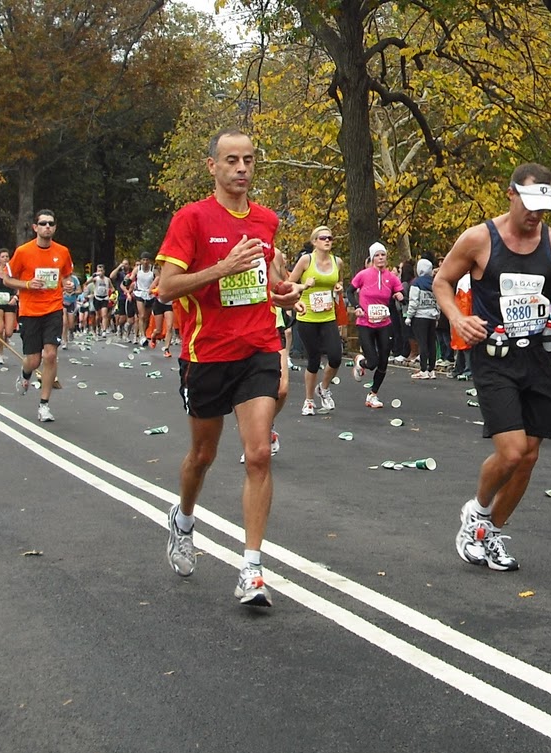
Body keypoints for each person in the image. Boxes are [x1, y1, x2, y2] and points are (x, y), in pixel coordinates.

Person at [156, 128, 298, 608]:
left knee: (259, 454)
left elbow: (268, 277)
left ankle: (252, 570)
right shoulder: (192, 218)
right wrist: (222, 268)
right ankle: (184, 518)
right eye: (231, 160)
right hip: (206, 354)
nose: (241, 169)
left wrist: (282, 290)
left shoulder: (266, 220)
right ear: (212, 166)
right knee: (203, 455)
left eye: (249, 160)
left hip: (257, 345)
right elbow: (166, 288)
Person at [435, 163, 551, 570]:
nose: (535, 213)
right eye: (529, 202)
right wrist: (456, 318)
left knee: (531, 455)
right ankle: (477, 512)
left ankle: (492, 532)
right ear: (510, 194)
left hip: (537, 357)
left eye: (544, 205)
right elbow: (441, 282)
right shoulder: (479, 239)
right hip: (494, 356)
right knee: (512, 451)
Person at [3, 209, 75, 422]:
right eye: (42, 223)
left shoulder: (62, 252)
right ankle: (25, 374)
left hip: (53, 309)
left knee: (51, 355)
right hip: (30, 311)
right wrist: (27, 284)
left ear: (55, 227)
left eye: (50, 223)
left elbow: (66, 276)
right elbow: (7, 280)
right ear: (35, 227)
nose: (47, 227)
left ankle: (44, 405)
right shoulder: (23, 252)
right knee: (33, 361)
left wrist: (67, 285)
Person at [288, 226, 344, 414]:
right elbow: (289, 285)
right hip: (307, 316)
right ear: (314, 242)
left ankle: (324, 388)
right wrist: (305, 284)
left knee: (336, 357)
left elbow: (340, 281)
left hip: (328, 316)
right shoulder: (306, 260)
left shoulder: (338, 262)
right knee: (313, 359)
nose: (327, 241)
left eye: (330, 238)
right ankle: (309, 400)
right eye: (323, 238)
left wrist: (338, 287)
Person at [349, 242, 402, 408]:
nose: (380, 258)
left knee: (384, 360)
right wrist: (357, 307)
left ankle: (373, 394)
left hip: (384, 323)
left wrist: (400, 295)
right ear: (372, 258)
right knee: (372, 362)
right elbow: (349, 291)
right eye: (377, 255)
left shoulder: (391, 277)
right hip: (365, 322)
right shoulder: (364, 275)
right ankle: (361, 362)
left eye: (383, 255)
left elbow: (400, 292)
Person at [405, 258, 441, 379]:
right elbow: (438, 301)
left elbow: (414, 301)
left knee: (422, 342)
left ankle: (423, 369)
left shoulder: (416, 283)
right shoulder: (434, 283)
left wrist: (409, 316)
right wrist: (437, 315)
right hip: (432, 316)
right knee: (431, 342)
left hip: (419, 316)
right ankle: (431, 369)